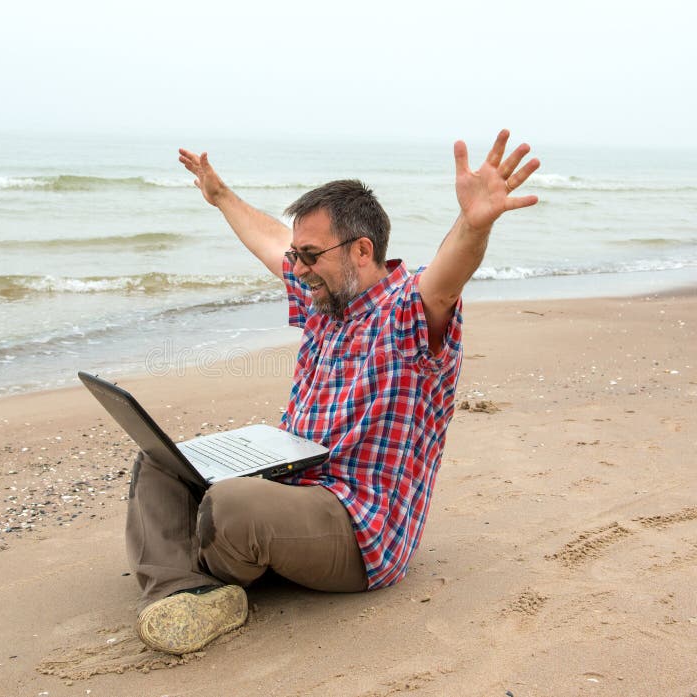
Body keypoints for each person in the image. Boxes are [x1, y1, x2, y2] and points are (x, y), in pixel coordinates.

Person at [128, 129, 540, 654]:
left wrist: (472, 223)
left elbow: (446, 280)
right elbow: (272, 239)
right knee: (159, 459)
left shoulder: (407, 311)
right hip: (292, 486)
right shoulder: (326, 299)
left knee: (229, 506)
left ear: (361, 250)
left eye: (310, 255)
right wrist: (221, 196)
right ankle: (184, 591)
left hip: (358, 529)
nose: (297, 268)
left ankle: (190, 557)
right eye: (298, 256)